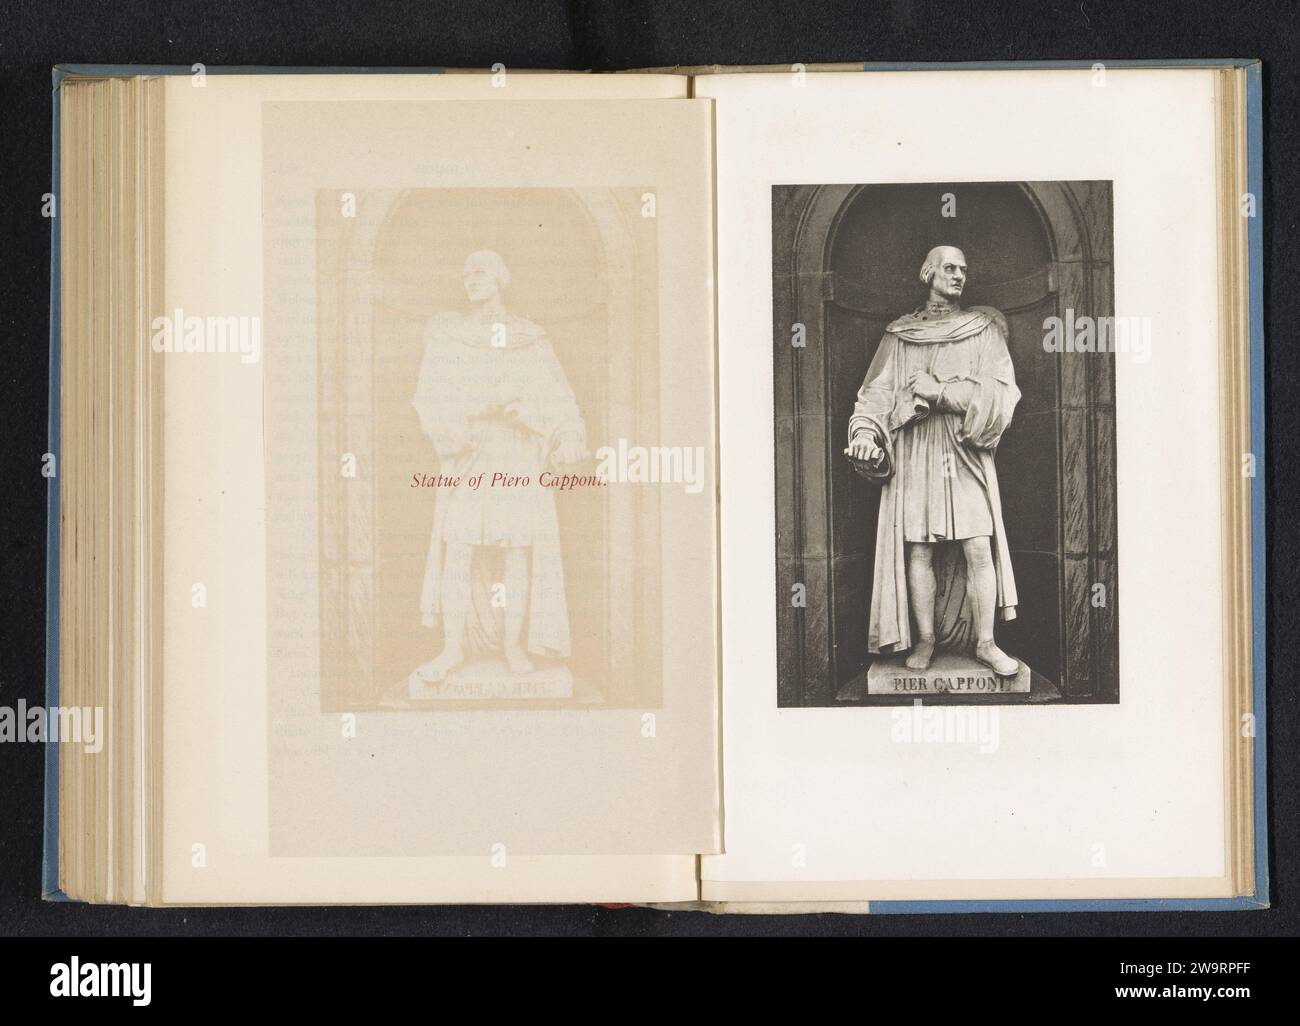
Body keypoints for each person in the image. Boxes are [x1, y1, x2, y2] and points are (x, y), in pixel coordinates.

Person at [845, 245, 1020, 676]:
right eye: (949, 268)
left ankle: (986, 642)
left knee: (979, 545)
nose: (959, 275)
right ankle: (924, 640)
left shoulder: (983, 331)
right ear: (928, 273)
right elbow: (875, 395)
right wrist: (866, 434)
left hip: (963, 449)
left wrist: (938, 391)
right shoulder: (900, 334)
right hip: (917, 451)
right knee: (919, 549)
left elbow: (1002, 394)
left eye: (964, 269)